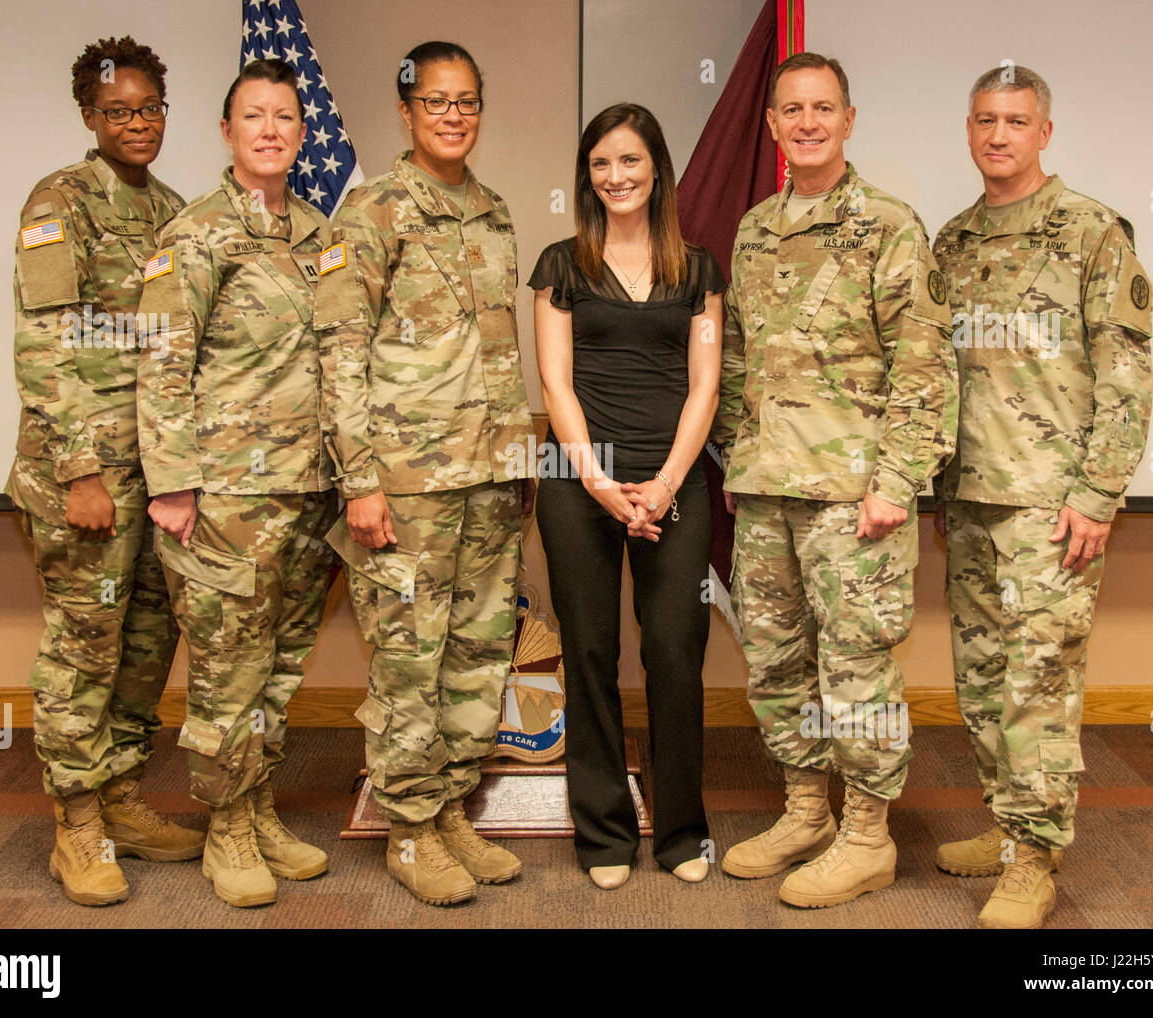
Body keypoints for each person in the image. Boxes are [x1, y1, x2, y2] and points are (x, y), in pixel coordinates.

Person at [711, 52, 957, 908]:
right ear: (773, 126)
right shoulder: (754, 228)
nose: (807, 123)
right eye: (792, 110)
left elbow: (925, 366)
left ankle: (867, 836)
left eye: (823, 108)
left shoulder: (888, 225)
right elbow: (739, 356)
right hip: (769, 494)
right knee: (778, 665)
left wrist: (897, 483)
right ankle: (806, 810)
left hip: (858, 502)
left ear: (849, 120)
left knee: (857, 670)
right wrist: (744, 456)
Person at [931, 66, 1153, 929]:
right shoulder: (951, 242)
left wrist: (1099, 493)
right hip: (973, 500)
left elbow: (1127, 375)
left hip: (1051, 505)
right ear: (969, 127)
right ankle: (1007, 826)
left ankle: (1034, 859)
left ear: (1045, 132)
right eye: (984, 120)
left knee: (1038, 684)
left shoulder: (1094, 233)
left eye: (1016, 121)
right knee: (984, 679)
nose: (998, 136)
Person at [316, 41, 533, 906]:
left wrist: (520, 461)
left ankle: (447, 812)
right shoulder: (370, 212)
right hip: (405, 484)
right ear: (405, 111)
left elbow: (502, 351)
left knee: (478, 655)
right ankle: (407, 829)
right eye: (436, 101)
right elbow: (338, 355)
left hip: (488, 477)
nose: (453, 115)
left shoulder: (494, 212)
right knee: (409, 661)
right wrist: (358, 481)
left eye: (467, 100)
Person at [5, 36, 203, 907]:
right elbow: (46, 343)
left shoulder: (173, 208)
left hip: (158, 475)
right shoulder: (59, 202)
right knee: (85, 649)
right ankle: (76, 824)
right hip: (84, 480)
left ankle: (122, 797)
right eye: (119, 109)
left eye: (150, 107)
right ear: (90, 115)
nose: (137, 122)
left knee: (148, 645)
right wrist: (83, 471)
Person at [136, 58, 336, 908]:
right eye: (253, 116)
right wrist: (174, 483)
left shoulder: (321, 233)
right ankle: (224, 827)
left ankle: (256, 809)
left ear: (301, 132)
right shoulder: (196, 234)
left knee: (280, 666)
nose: (270, 130)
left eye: (284, 117)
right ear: (226, 131)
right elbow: (161, 361)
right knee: (226, 670)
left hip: (306, 492)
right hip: (224, 498)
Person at [529, 103, 722, 890]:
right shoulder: (561, 264)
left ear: (658, 171)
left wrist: (667, 483)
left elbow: (705, 382)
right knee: (592, 652)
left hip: (675, 481)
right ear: (588, 175)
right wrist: (601, 482)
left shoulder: (700, 270)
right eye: (602, 164)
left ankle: (680, 830)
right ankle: (604, 831)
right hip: (582, 483)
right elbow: (555, 380)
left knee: (675, 656)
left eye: (631, 162)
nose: (616, 177)